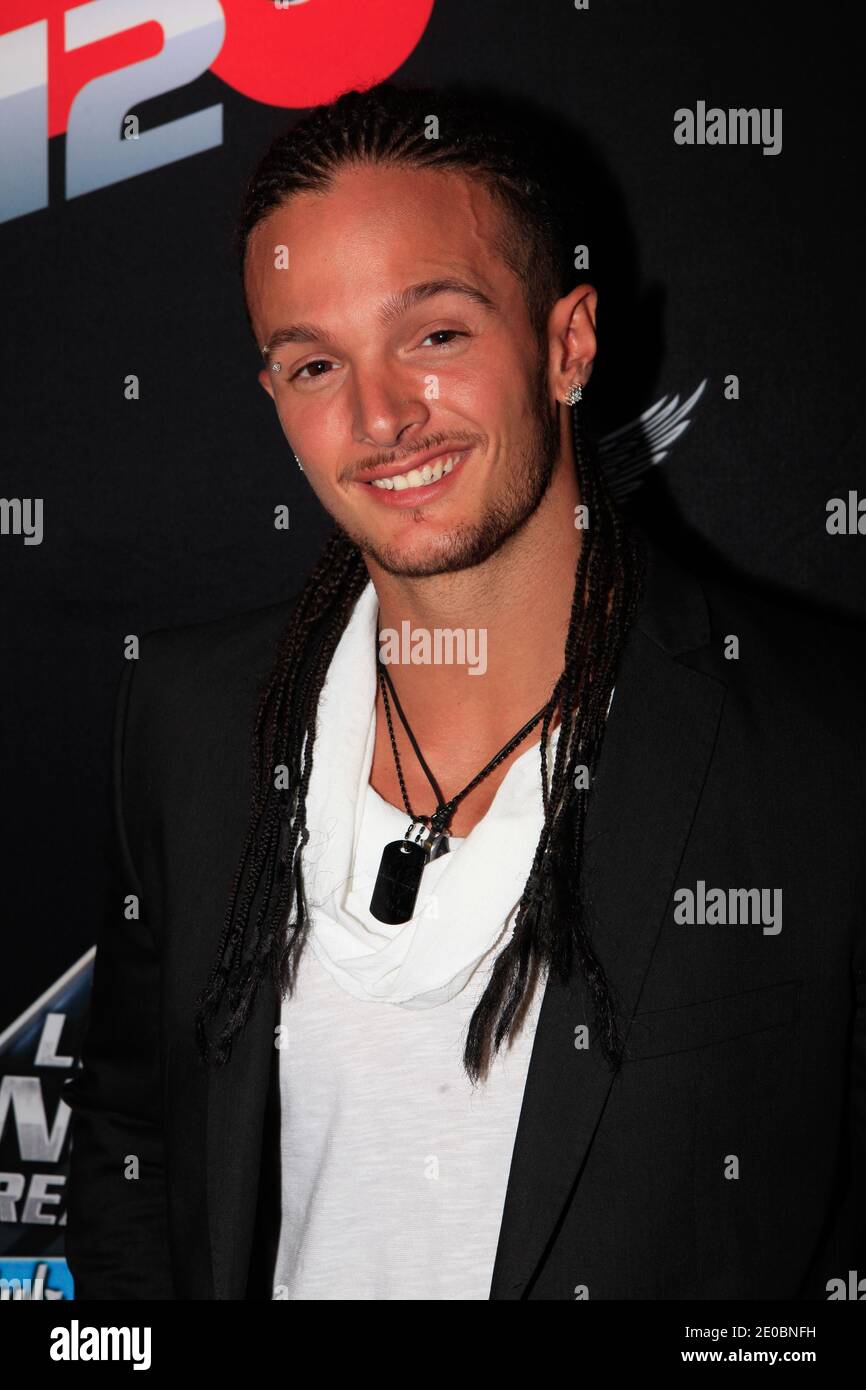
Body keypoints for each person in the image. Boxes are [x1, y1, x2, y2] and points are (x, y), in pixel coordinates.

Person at [64, 81, 865, 1301]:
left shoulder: (817, 744)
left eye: (434, 334)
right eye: (313, 360)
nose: (379, 416)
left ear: (566, 340)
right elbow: (133, 1151)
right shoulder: (187, 716)